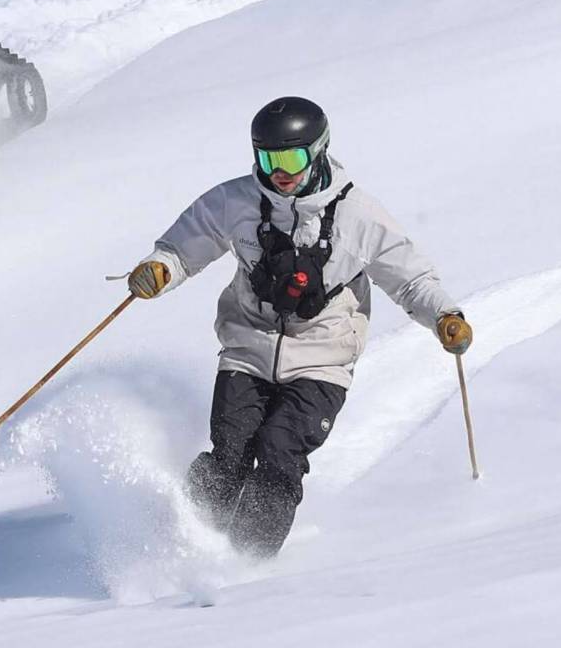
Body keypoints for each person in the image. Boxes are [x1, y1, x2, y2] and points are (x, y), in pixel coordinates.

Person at [127, 96, 473, 557]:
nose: (280, 171)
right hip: (247, 347)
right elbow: (183, 246)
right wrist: (159, 270)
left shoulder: (358, 216)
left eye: (291, 158)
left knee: (278, 454)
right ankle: (178, 545)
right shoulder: (236, 201)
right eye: (268, 158)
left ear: (318, 152)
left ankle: (247, 563)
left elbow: (410, 279)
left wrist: (446, 317)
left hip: (322, 357)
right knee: (229, 451)